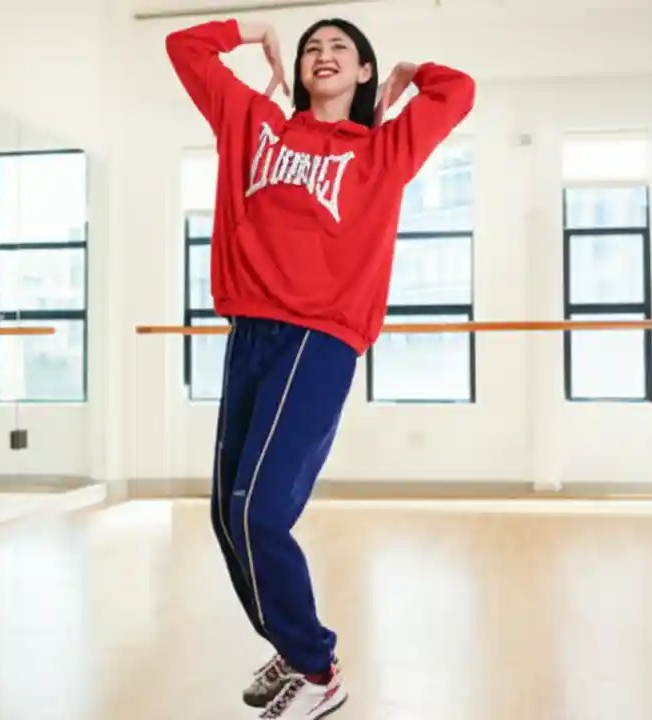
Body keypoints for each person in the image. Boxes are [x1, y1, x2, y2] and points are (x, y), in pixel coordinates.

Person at [165, 16, 474, 719]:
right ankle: (297, 646)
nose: (323, 55)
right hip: (249, 330)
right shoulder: (254, 122)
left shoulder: (383, 149)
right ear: (298, 68)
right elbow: (183, 48)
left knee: (260, 513)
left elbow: (458, 91)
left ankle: (315, 671)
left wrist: (413, 71)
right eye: (312, 48)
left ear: (364, 71)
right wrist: (251, 31)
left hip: (319, 338)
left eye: (341, 48)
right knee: (225, 514)